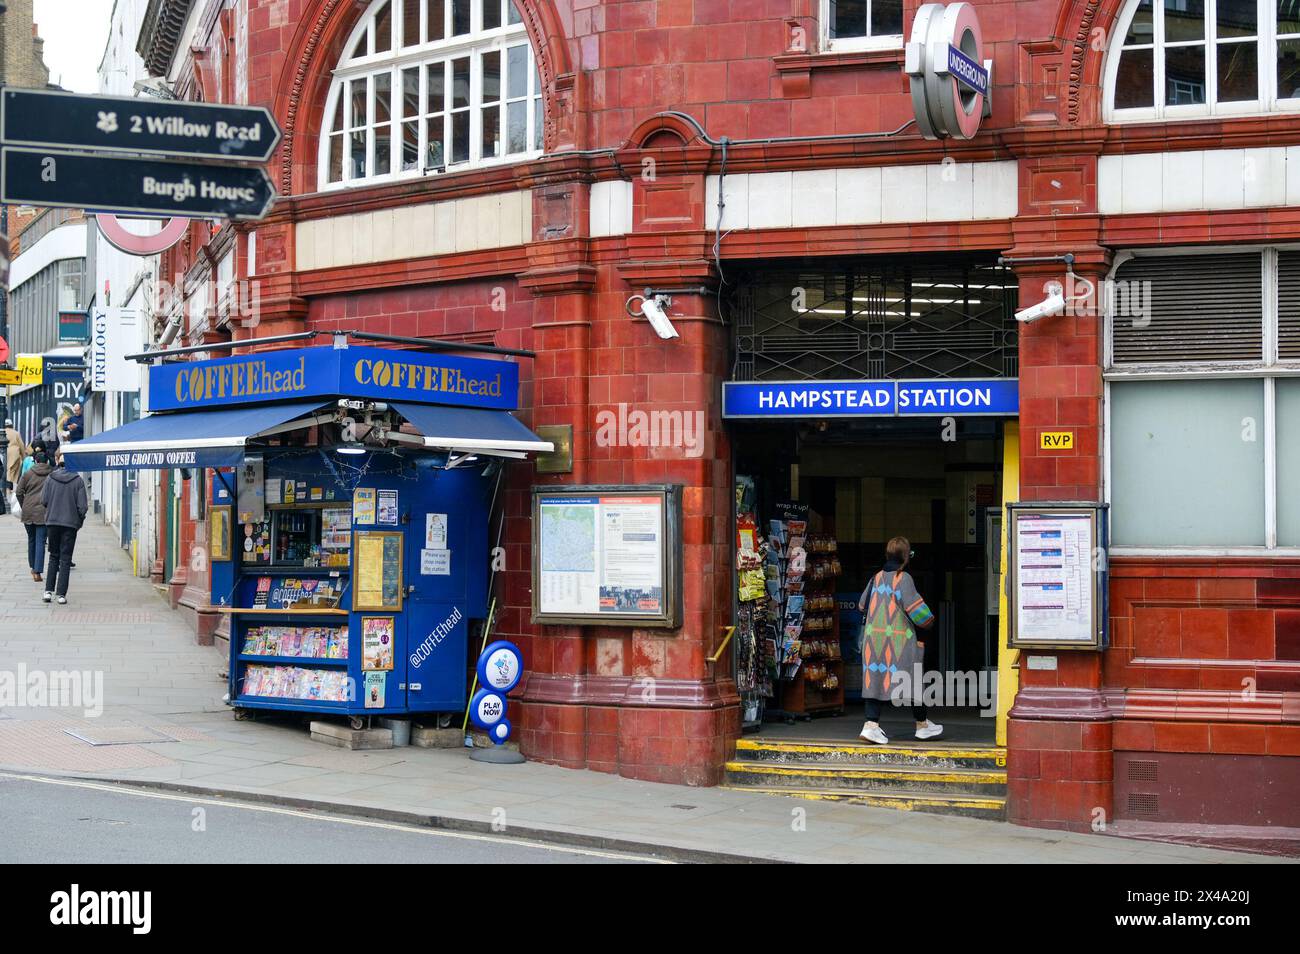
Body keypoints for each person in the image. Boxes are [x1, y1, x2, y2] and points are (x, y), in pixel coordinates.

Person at [856, 536, 943, 744]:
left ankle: (871, 725)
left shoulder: (875, 577)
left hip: (873, 640)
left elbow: (861, 605)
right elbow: (920, 614)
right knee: (911, 680)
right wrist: (931, 622)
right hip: (898, 641)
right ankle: (922, 725)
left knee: (874, 680)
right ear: (906, 556)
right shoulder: (903, 578)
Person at [40, 453, 88, 605]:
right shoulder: (78, 481)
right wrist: (79, 520)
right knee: (65, 559)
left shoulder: (50, 478)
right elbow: (83, 507)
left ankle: (48, 591)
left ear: (57, 463)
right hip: (70, 524)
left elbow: (44, 500)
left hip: (52, 523)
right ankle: (61, 594)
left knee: (53, 556)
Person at [14, 446, 53, 582]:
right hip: (44, 511)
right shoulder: (51, 474)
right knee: (41, 541)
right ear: (47, 462)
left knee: (31, 539)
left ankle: (32, 567)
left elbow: (19, 492)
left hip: (29, 511)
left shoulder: (28, 474)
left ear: (35, 461)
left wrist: (24, 504)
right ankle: (37, 571)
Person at [4, 417, 27, 490]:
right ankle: (10, 489)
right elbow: (21, 445)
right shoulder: (16, 433)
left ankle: (5, 488)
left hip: (4, 453)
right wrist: (24, 458)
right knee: (12, 472)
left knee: (6, 470)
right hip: (14, 454)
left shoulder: (2, 432)